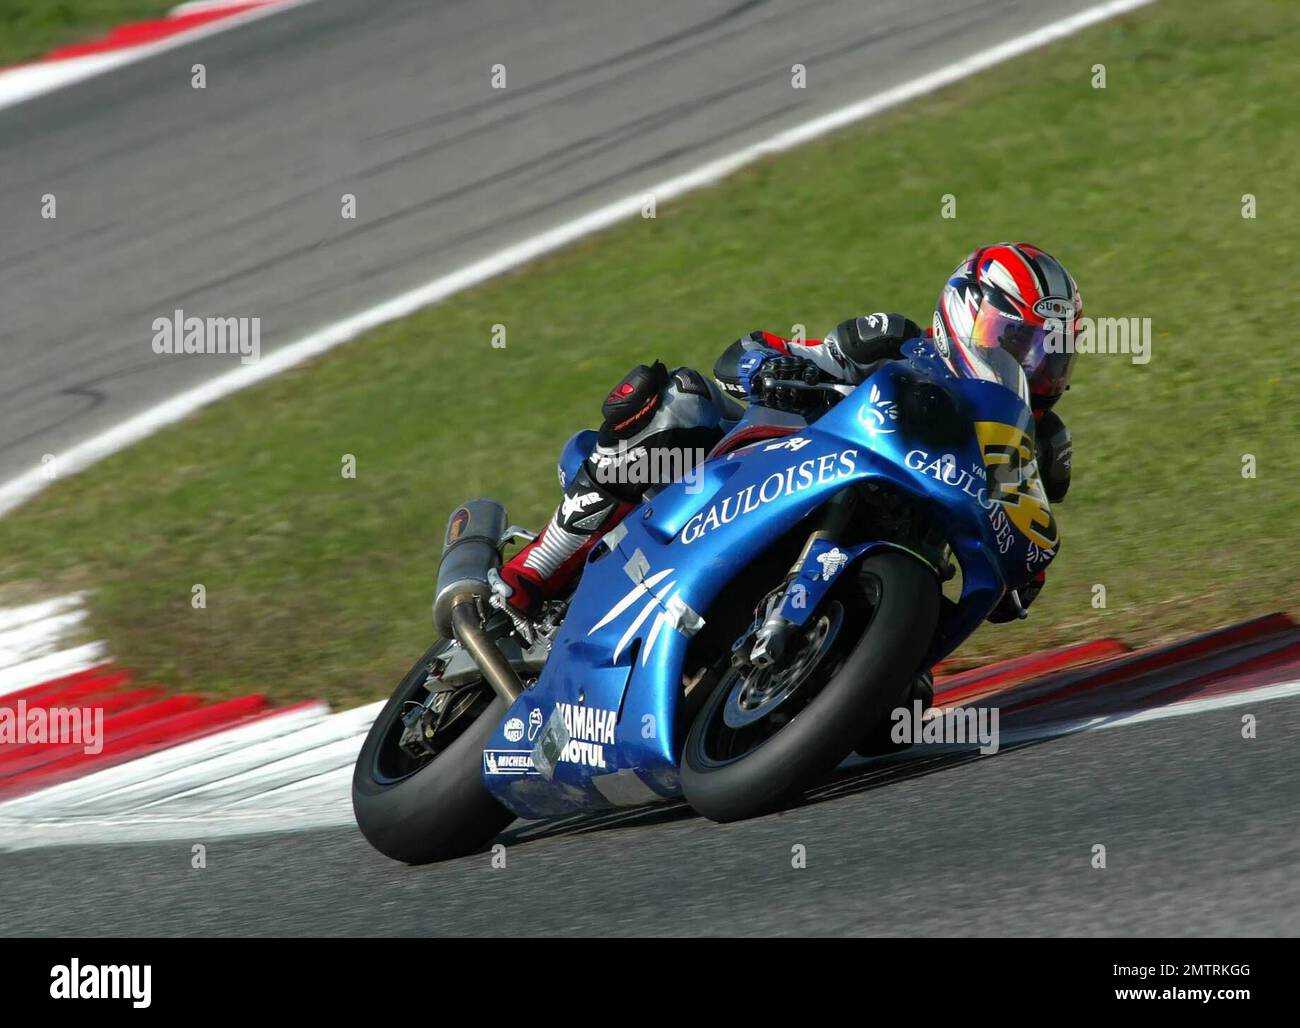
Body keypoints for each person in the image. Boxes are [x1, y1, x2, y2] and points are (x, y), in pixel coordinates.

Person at [491, 242, 1080, 627]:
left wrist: (1018, 572)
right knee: (681, 403)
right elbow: (756, 351)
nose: (1030, 361)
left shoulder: (1033, 445)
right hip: (772, 467)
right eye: (1016, 338)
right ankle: (536, 567)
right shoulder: (894, 342)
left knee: (898, 714)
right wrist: (775, 368)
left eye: (1047, 350)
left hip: (887, 569)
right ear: (964, 309)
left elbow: (1020, 577)